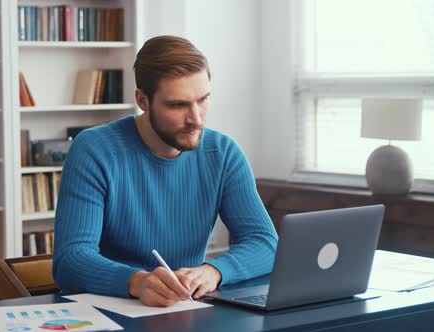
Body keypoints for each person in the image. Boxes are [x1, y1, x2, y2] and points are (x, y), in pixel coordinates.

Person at [52, 35, 278, 307]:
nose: (196, 118)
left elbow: (265, 243)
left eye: (203, 99)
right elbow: (71, 259)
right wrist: (137, 282)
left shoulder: (223, 153)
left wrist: (214, 271)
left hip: (186, 308)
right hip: (111, 309)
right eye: (178, 105)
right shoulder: (94, 150)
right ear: (143, 100)